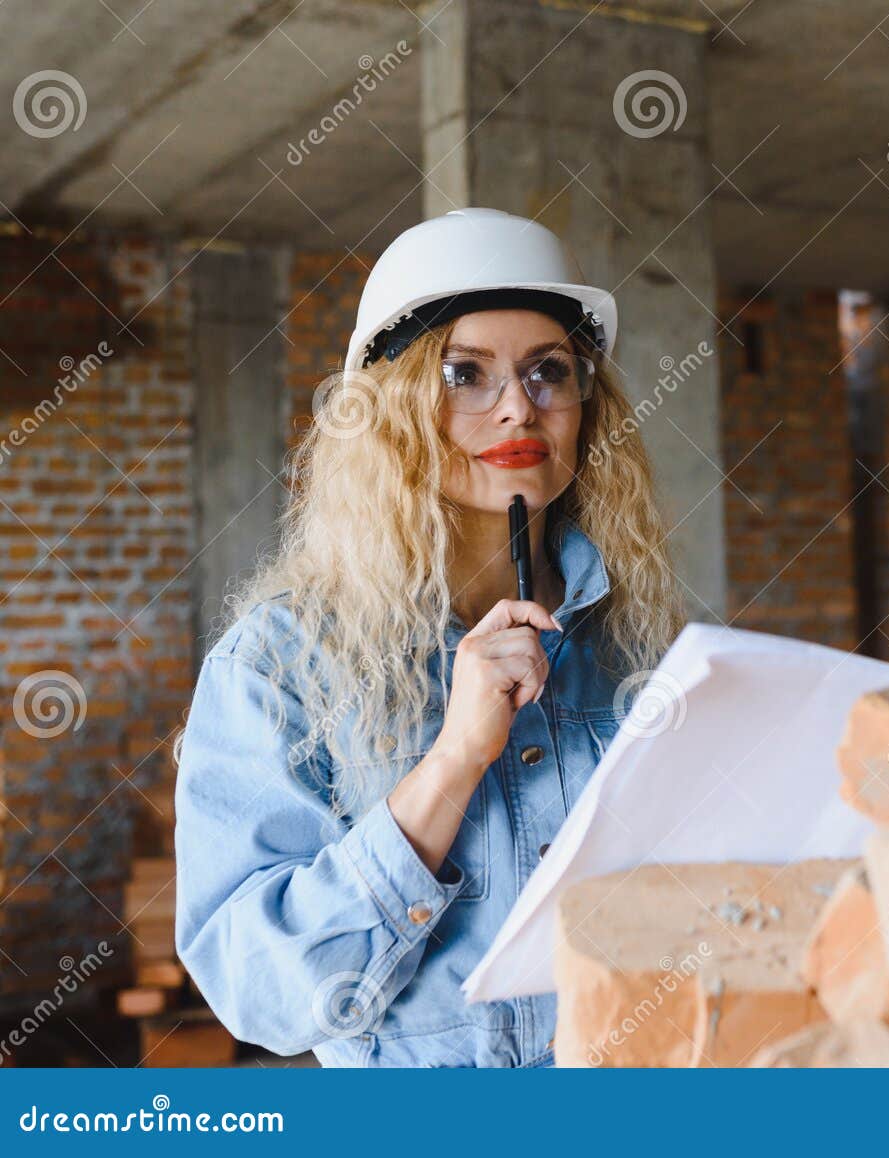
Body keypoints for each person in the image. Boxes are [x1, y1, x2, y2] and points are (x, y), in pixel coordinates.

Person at [173, 207, 685, 1066]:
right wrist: (453, 763)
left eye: (548, 371)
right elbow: (257, 986)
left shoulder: (641, 642)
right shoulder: (280, 663)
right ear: (394, 414)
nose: (519, 406)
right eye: (464, 374)